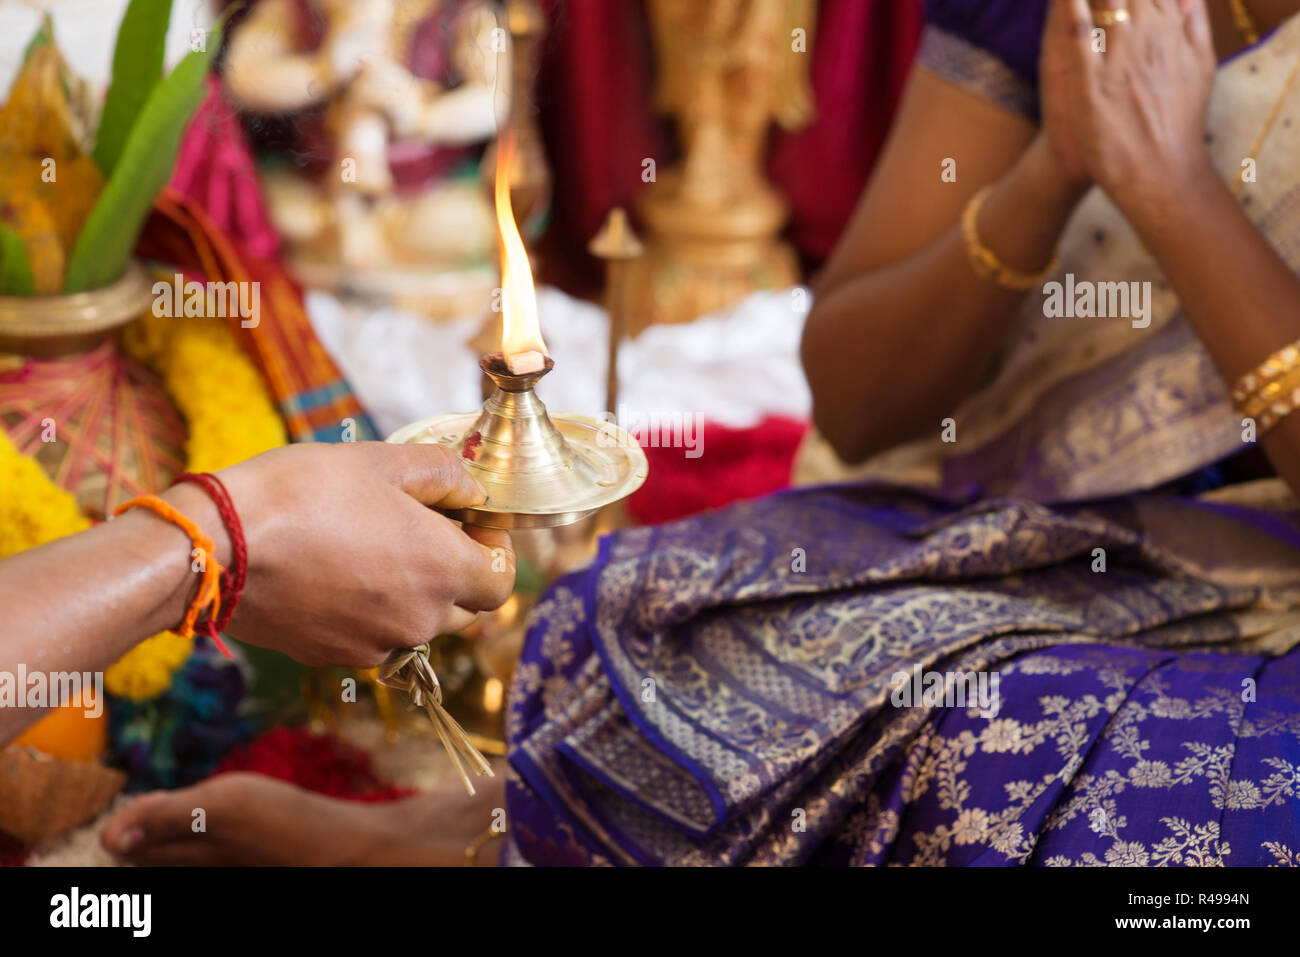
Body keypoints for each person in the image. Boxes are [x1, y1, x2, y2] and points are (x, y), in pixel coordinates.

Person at [103, 0, 1300, 866]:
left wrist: (1167, 189)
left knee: (995, 761)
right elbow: (860, 394)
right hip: (1072, 525)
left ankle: (482, 843)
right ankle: (475, 831)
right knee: (647, 609)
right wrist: (1050, 173)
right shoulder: (1064, 14)